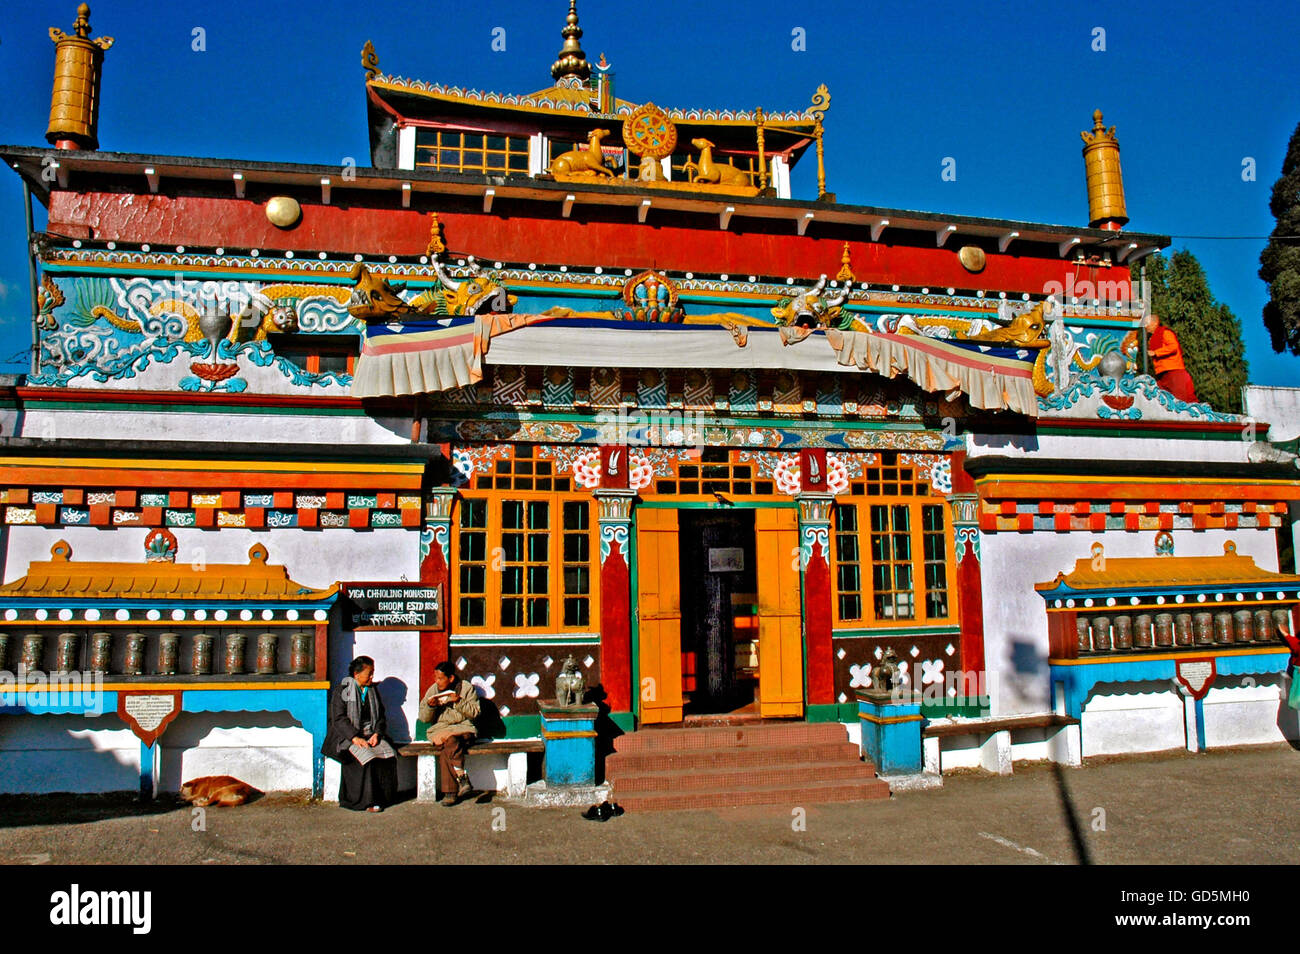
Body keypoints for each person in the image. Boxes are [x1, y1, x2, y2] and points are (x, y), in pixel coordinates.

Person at [323, 656, 398, 813]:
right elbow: (338, 719)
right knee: (367, 758)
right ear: (356, 674)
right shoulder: (342, 691)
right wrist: (354, 737)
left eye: (373, 673)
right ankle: (364, 801)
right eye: (369, 674)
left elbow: (381, 716)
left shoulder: (372, 690)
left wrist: (377, 734)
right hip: (346, 736)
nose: (372, 677)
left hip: (369, 734)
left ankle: (384, 798)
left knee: (388, 755)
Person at [418, 661, 480, 806]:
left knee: (450, 742)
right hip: (442, 729)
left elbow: (475, 712)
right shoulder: (434, 689)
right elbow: (423, 717)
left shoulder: (466, 688)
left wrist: (458, 702)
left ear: (451, 678)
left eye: (440, 678)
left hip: (463, 728)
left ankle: (450, 793)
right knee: (450, 742)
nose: (437, 681)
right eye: (436, 678)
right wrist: (430, 706)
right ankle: (461, 776)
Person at [1126, 313, 1197, 403]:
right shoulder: (1152, 339)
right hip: (1162, 375)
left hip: (1174, 372)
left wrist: (1156, 352)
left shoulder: (1165, 333)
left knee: (1180, 402)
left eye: (1147, 323)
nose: (1145, 326)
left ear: (1155, 323)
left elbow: (1173, 347)